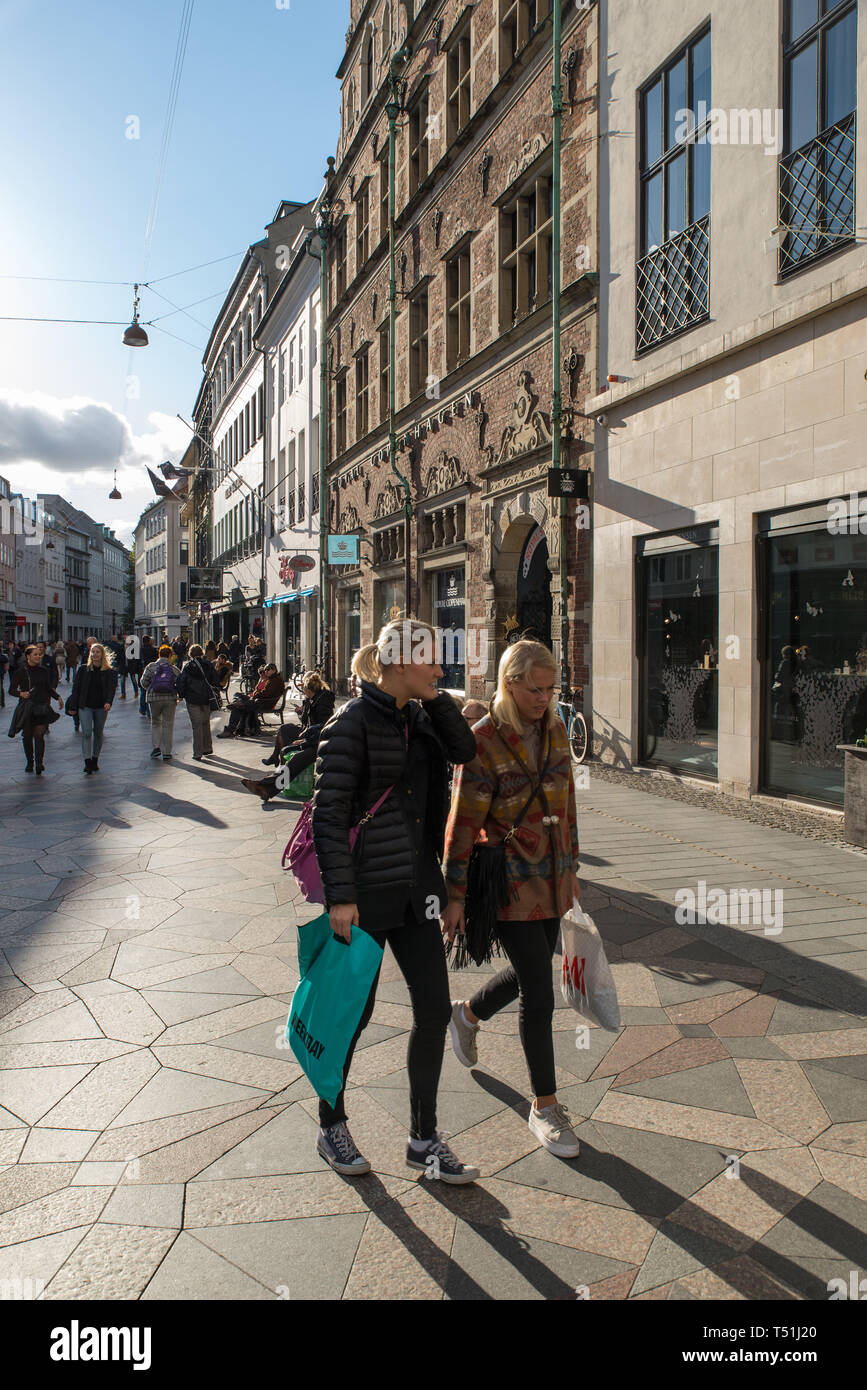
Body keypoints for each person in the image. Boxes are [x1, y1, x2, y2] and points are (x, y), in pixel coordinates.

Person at [310, 618, 479, 1182]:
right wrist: (339, 896)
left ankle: (423, 1139)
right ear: (399, 662)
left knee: (433, 1010)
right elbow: (328, 815)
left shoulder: (423, 719)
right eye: (431, 660)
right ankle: (331, 1124)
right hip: (361, 896)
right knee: (350, 1017)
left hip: (416, 891)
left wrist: (435, 702)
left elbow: (465, 749)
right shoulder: (350, 723)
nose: (441, 669)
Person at [442, 639, 582, 1160]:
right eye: (534, 689)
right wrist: (454, 895)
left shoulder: (556, 728)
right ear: (509, 683)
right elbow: (462, 824)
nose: (544, 697)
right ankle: (545, 1107)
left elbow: (567, 808)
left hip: (551, 874)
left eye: (551, 688)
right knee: (539, 994)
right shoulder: (482, 740)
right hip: (507, 878)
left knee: (534, 968)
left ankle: (469, 1014)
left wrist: (573, 873)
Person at [8, 644, 63, 774]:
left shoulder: (43, 671)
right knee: (27, 736)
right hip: (27, 707)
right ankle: (30, 761)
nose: (38, 657)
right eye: (35, 655)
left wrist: (57, 697)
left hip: (41, 706)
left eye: (39, 654)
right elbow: (11, 690)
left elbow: (48, 687)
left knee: (39, 735)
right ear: (28, 656)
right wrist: (21, 693)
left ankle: (39, 762)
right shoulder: (20, 671)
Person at [261, 672, 334, 766]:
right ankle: (277, 760)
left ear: (308, 689)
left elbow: (319, 724)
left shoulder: (318, 701)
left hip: (311, 735)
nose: (302, 689)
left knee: (284, 733)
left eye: (303, 686)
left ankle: (279, 763)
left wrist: (300, 713)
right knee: (283, 729)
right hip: (308, 731)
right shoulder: (314, 698)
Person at [66, 642, 118, 774]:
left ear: (102, 654)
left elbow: (111, 689)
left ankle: (95, 758)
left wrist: (108, 702)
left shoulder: (109, 672)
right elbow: (76, 689)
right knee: (87, 732)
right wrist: (73, 705)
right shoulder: (83, 669)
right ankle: (87, 761)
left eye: (97, 652)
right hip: (85, 706)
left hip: (101, 706)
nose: (95, 654)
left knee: (98, 733)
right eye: (93, 652)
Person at [217, 664, 284, 738]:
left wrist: (254, 696)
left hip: (263, 702)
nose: (266, 671)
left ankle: (229, 730)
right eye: (265, 670)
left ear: (274, 670)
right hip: (260, 700)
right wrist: (254, 695)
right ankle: (237, 702)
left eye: (268, 669)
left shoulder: (275, 680)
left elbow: (266, 693)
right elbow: (262, 692)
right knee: (238, 695)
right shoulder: (272, 678)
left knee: (237, 708)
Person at [176, 644, 218, 760]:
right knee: (205, 722)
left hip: (192, 699)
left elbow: (182, 682)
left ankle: (197, 752)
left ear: (190, 654)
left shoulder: (188, 667)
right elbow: (215, 679)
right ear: (201, 653)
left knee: (196, 725)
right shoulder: (208, 664)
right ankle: (207, 747)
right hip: (206, 698)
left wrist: (181, 695)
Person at [140, 644, 180, 761]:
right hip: (170, 699)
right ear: (170, 655)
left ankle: (156, 747)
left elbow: (143, 682)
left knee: (156, 722)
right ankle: (167, 751)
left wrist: (151, 689)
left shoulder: (151, 667)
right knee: (168, 724)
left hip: (154, 699)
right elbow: (181, 682)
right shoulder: (173, 669)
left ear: (159, 654)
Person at [104, 634, 128, 699]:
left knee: (133, 679)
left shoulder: (132, 647)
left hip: (130, 666)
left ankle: (136, 691)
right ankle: (123, 693)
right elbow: (119, 656)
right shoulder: (120, 647)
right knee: (122, 679)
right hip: (121, 664)